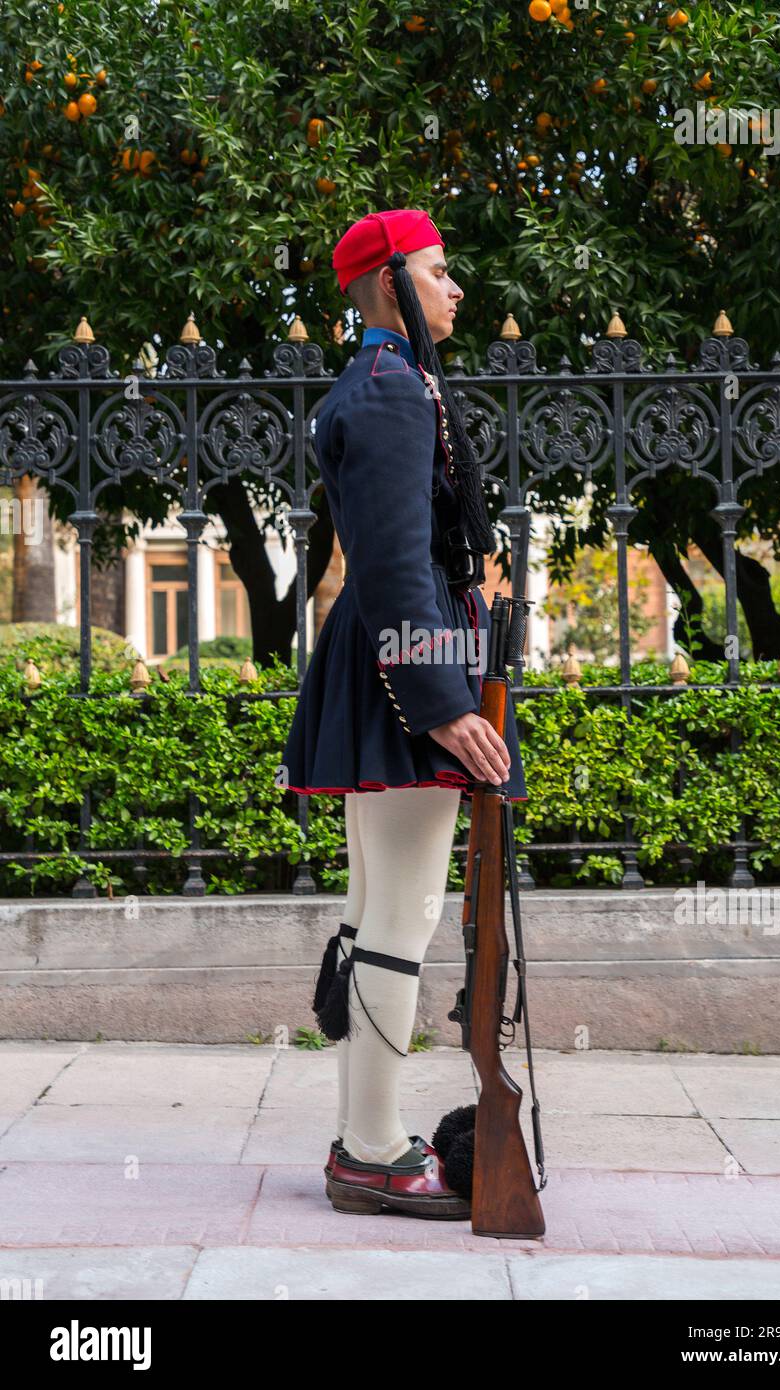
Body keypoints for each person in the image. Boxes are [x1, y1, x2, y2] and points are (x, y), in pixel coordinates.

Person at [281, 208, 527, 1219]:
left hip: (398, 660)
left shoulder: (394, 382)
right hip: (403, 671)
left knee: (380, 910)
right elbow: (388, 567)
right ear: (391, 287)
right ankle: (372, 1151)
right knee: (401, 915)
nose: (454, 287)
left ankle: (362, 1140)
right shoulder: (388, 394)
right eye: (437, 271)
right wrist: (439, 706)